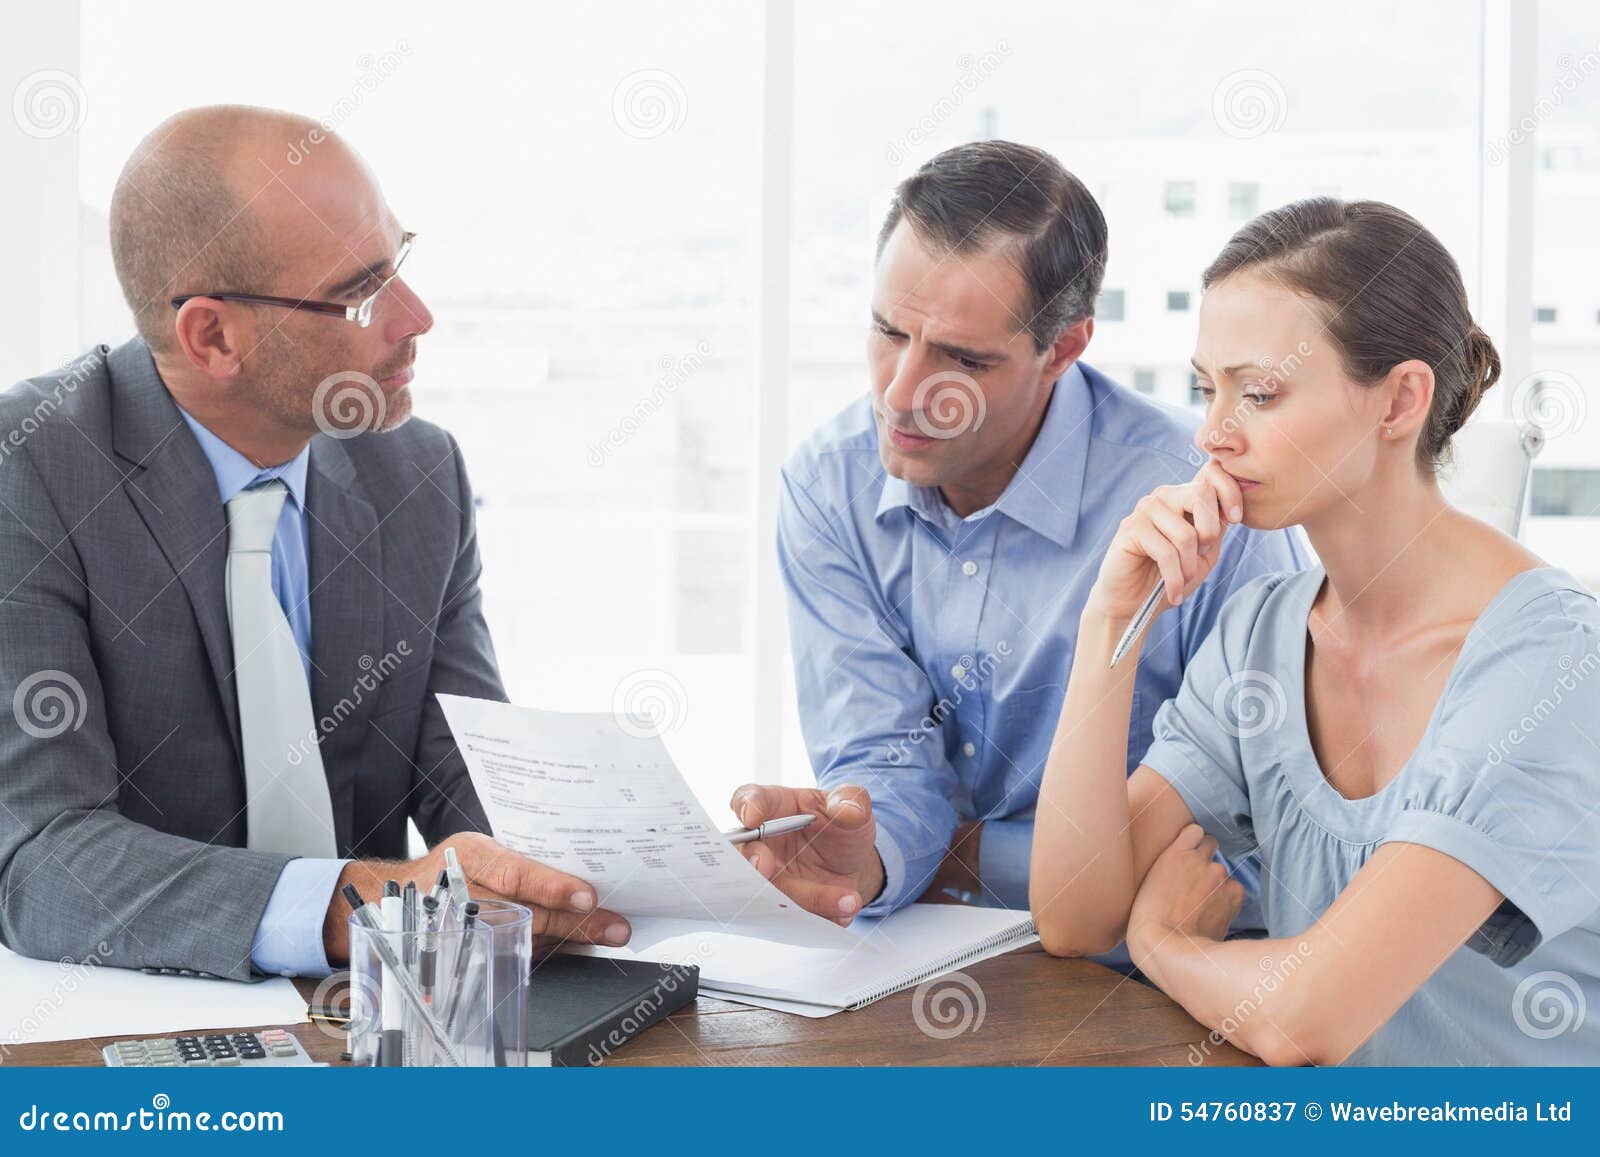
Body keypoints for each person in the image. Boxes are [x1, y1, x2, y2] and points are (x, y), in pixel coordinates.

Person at [0, 106, 629, 981]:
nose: (417, 317)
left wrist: (635, 871)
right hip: (140, 1026)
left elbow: (468, 769)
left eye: (399, 260)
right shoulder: (28, 472)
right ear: (212, 335)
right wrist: (369, 904)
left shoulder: (415, 472)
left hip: (374, 1024)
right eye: (363, 292)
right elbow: (43, 858)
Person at [1029, 196, 1600, 1065]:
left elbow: (1305, 1018)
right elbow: (1073, 912)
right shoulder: (1262, 634)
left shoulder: (1555, 659)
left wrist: (1165, 946)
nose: (1213, 433)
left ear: (1401, 400)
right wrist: (1111, 617)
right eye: (1204, 389)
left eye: (1257, 392)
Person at [729, 141, 1306, 939]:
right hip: (915, 956)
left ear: (1063, 349)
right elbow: (883, 768)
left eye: (962, 359)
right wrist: (869, 853)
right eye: (888, 331)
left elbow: (1253, 843)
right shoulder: (829, 488)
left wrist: (959, 855)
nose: (901, 394)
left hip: (1155, 975)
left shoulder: (1206, 505)